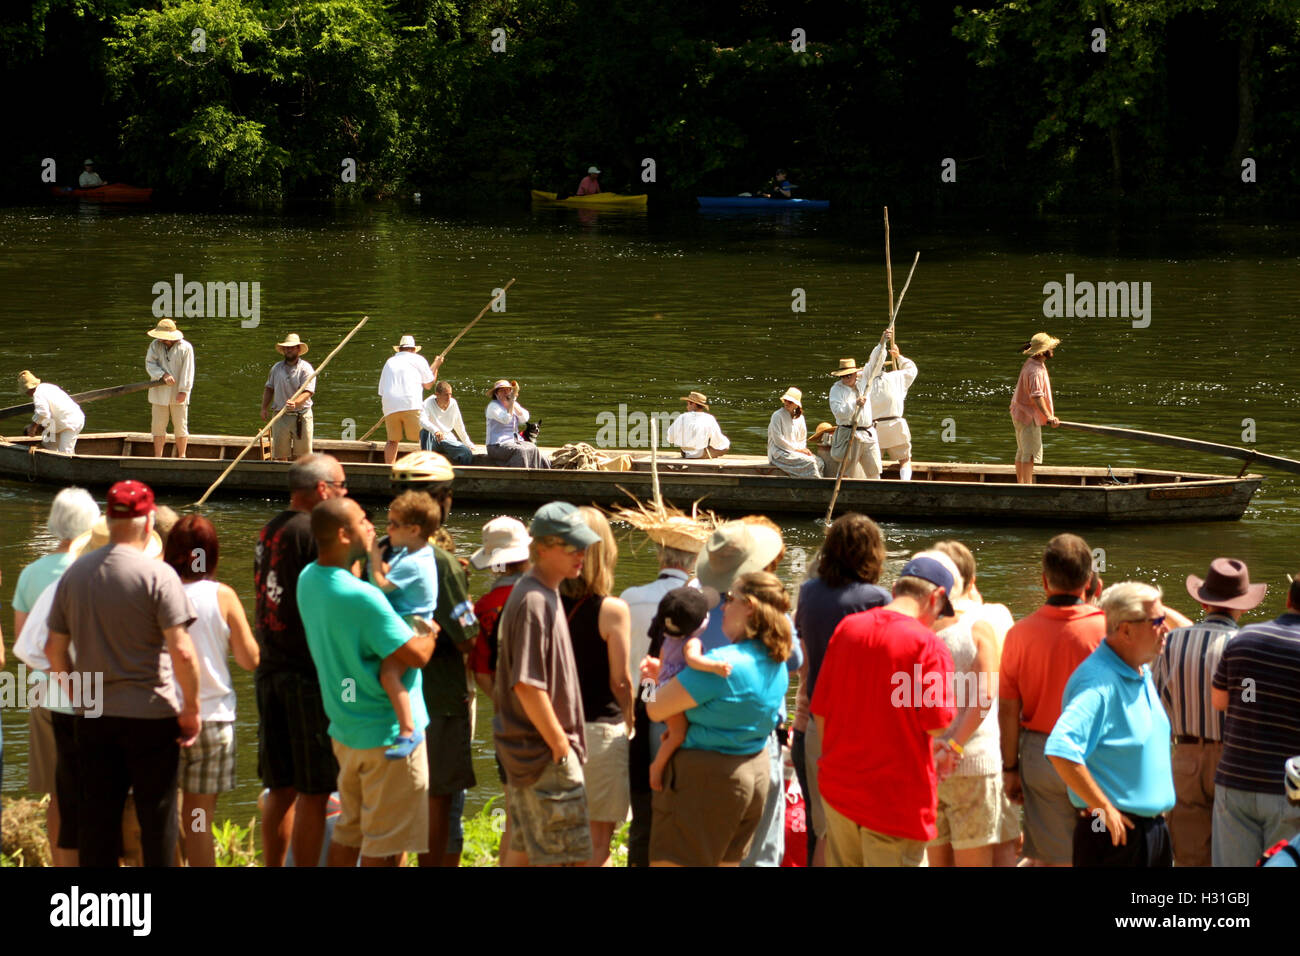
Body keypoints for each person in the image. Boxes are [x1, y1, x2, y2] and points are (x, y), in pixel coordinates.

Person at [45, 480, 201, 867]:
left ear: (108, 520)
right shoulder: (158, 576)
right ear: (149, 524)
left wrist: (80, 698)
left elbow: (53, 650)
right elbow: (182, 651)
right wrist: (192, 709)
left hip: (96, 715)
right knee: (157, 819)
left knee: (97, 821)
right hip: (152, 713)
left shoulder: (76, 575)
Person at [299, 497, 435, 866]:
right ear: (344, 534)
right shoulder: (363, 598)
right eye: (363, 521)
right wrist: (431, 632)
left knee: (350, 831)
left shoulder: (308, 579)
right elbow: (417, 655)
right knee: (385, 847)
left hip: (345, 731)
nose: (372, 526)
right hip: (388, 738)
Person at [811, 554, 957, 867]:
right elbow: (937, 723)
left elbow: (820, 708)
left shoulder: (847, 628)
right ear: (937, 597)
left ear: (895, 587)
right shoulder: (928, 645)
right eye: (940, 612)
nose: (936, 619)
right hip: (895, 803)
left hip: (840, 791)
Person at [645, 570, 793, 866]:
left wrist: (649, 680)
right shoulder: (776, 661)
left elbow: (654, 709)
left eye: (730, 599)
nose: (723, 606)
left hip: (704, 781)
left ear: (749, 606)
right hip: (753, 774)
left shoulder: (720, 664)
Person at [253, 453, 348, 867]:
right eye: (342, 487)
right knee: (314, 789)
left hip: (270, 669)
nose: (346, 495)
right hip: (307, 676)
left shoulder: (270, 529)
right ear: (323, 490)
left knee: (281, 787)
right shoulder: (314, 534)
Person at [691, 517, 803, 867]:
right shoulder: (766, 616)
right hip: (757, 742)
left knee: (708, 846)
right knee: (760, 849)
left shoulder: (695, 606)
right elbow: (794, 659)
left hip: (701, 741)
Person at [493, 502, 600, 866]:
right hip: (545, 758)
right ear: (540, 548)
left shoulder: (541, 590)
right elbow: (527, 686)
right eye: (572, 547)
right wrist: (561, 748)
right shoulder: (535, 600)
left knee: (521, 853)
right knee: (571, 859)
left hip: (531, 756)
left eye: (584, 546)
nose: (582, 554)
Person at [390, 450, 481, 868]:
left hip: (383, 702)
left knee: (388, 811)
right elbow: (467, 638)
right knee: (440, 806)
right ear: (440, 500)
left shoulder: (376, 552)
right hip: (439, 702)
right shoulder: (440, 563)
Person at [1046, 582, 1175, 867]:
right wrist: (1104, 807)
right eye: (1156, 622)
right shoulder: (1098, 683)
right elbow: (1060, 747)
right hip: (1116, 837)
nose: (1165, 629)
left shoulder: (1138, 669)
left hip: (1149, 835)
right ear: (1126, 630)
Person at [999, 532, 1105, 866]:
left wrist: (1010, 768)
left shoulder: (1019, 634)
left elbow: (1008, 707)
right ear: (1088, 580)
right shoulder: (1110, 631)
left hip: (1041, 754)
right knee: (1101, 854)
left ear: (1044, 581)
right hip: (1096, 756)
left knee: (1053, 859)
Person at [1151, 558, 1265, 867]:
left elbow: (1155, 706)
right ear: (1242, 606)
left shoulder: (1172, 641)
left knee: (1189, 859)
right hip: (1235, 761)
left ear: (1204, 603)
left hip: (1184, 758)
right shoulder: (1247, 645)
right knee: (1235, 859)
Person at [613, 507, 710, 867]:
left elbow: (623, 671)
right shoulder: (706, 603)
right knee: (684, 813)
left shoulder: (628, 596)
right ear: (694, 560)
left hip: (641, 708)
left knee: (643, 815)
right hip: (690, 714)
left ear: (660, 555)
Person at [163, 514, 260, 867]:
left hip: (163, 718)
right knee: (199, 819)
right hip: (214, 721)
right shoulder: (224, 596)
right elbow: (249, 660)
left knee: (160, 815)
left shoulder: (156, 594)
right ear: (212, 554)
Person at [794, 512, 890, 866]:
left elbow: (800, 648)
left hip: (817, 720)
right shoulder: (877, 598)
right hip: (863, 726)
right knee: (859, 828)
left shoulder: (808, 592)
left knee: (820, 828)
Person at [11, 487, 100, 866]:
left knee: (57, 794)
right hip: (94, 695)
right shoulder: (96, 570)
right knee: (97, 791)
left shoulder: (30, 574)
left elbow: (22, 644)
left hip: (45, 696)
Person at [935, 538, 1020, 865]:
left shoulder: (922, 624)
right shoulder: (995, 617)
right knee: (1001, 850)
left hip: (932, 759)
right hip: (984, 758)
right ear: (971, 582)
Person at [559, 507, 634, 866]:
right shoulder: (612, 610)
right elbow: (619, 680)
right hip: (600, 732)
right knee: (598, 840)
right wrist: (632, 719)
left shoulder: (543, 601)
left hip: (553, 730)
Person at [1210, 572, 1300, 867]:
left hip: (1236, 779)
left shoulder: (1244, 637)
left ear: (1288, 600)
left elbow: (1219, 701)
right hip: (1289, 789)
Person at [367, 490, 441, 759]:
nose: (387, 529)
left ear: (413, 529)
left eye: (392, 524)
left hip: (413, 626)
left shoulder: (413, 561)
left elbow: (381, 585)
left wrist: (373, 553)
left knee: (389, 675)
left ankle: (408, 731)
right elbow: (390, 575)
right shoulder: (411, 554)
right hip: (410, 623)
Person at [645, 587, 721, 791]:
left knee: (672, 733)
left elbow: (657, 676)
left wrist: (648, 685)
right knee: (678, 735)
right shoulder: (693, 643)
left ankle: (662, 750)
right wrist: (714, 665)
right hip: (675, 699)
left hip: (660, 696)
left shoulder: (666, 642)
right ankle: (657, 768)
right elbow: (694, 660)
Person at [470, 516, 533, 697]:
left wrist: (504, 707)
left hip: (509, 702)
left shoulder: (484, 606)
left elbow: (482, 674)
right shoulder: (548, 595)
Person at [864, 332, 918, 480]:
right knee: (905, 460)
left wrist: (882, 343)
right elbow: (912, 370)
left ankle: (877, 484)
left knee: (876, 462)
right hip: (895, 425)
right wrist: (898, 357)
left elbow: (869, 366)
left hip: (875, 428)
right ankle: (905, 482)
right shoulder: (897, 376)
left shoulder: (864, 381)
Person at [379, 334, 441, 465]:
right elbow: (429, 384)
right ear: (413, 349)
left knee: (392, 440)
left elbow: (381, 391)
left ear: (400, 349)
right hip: (411, 403)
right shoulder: (418, 359)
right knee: (422, 437)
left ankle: (388, 468)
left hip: (390, 404)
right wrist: (437, 365)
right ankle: (424, 467)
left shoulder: (389, 361)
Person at [1010, 332, 1061, 484]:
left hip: (1019, 412)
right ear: (1043, 351)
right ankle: (1026, 486)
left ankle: (1021, 483)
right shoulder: (1035, 370)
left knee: (1022, 451)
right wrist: (1049, 416)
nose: (1052, 350)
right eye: (1050, 348)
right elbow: (1036, 396)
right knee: (1029, 454)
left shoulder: (1033, 363)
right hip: (1028, 416)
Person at [145, 318, 196, 458]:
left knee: (180, 426)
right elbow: (150, 364)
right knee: (158, 427)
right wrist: (162, 374)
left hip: (178, 392)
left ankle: (182, 456)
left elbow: (188, 371)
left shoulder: (185, 347)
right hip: (158, 392)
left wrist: (184, 391)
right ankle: (158, 456)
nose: (161, 339)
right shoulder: (155, 345)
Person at [261, 333, 315, 461]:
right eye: (286, 348)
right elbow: (269, 388)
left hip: (301, 416)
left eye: (291, 347)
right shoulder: (276, 368)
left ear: (298, 349)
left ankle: (302, 479)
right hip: (280, 415)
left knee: (304, 456)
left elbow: (308, 392)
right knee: (280, 454)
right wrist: (264, 408)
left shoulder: (306, 368)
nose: (288, 350)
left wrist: (296, 403)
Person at [828, 358, 881, 479]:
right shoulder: (836, 389)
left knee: (874, 471)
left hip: (868, 434)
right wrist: (854, 404)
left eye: (849, 375)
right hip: (849, 433)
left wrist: (882, 343)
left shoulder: (863, 384)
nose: (846, 378)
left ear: (856, 374)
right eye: (843, 376)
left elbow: (874, 362)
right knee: (845, 471)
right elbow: (839, 412)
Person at [485, 379, 551, 468]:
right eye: (502, 390)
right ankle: (520, 476)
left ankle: (541, 474)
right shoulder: (493, 406)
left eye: (508, 390)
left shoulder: (512, 404)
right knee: (520, 451)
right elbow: (506, 420)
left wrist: (513, 402)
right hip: (496, 446)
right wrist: (511, 402)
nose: (505, 393)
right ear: (496, 393)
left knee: (533, 448)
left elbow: (524, 418)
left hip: (514, 441)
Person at [19, 370, 84, 454]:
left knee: (65, 453)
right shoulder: (48, 386)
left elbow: (43, 413)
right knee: (49, 447)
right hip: (57, 423)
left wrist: (33, 427)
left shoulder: (38, 394)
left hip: (70, 423)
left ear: (28, 390)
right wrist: (39, 427)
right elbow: (47, 414)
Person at [767, 387, 823, 479]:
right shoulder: (777, 415)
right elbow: (778, 439)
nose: (786, 403)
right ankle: (814, 485)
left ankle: (818, 483)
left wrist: (801, 450)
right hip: (779, 452)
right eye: (786, 400)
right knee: (810, 463)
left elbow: (802, 439)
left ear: (796, 405)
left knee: (819, 462)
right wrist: (797, 450)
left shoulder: (800, 418)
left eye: (790, 402)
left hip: (795, 451)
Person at [419, 380, 475, 465]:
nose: (449, 398)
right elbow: (422, 420)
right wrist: (436, 431)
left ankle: (463, 475)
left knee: (466, 452)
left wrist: (468, 443)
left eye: (450, 394)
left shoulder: (453, 403)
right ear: (437, 394)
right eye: (446, 395)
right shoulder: (428, 403)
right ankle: (427, 466)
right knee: (425, 432)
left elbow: (459, 425)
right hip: (432, 441)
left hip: (447, 440)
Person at [665, 390, 730, 459]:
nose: (687, 406)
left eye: (688, 404)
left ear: (693, 404)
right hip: (699, 454)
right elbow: (718, 439)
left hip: (685, 453)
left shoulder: (682, 417)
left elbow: (670, 437)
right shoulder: (709, 418)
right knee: (725, 446)